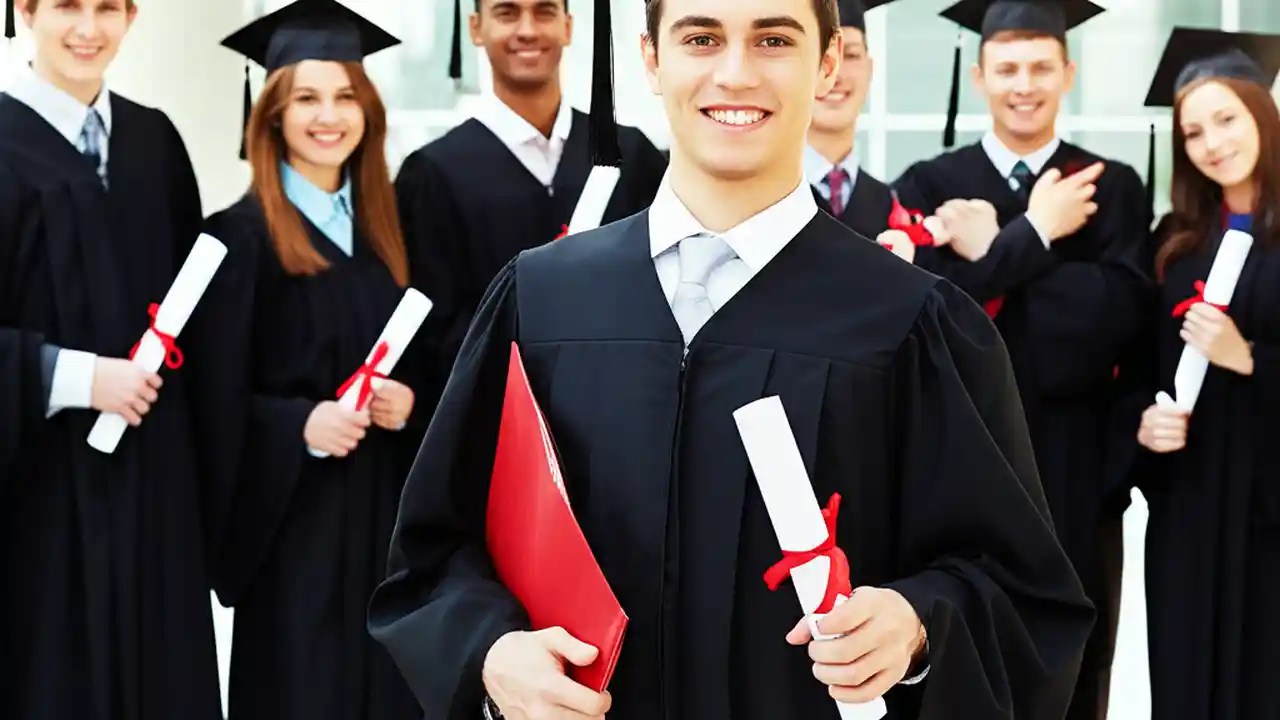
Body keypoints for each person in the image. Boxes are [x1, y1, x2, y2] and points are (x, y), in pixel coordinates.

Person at [369, 0, 1094, 718]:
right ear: (652, 59)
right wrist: (492, 654)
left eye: (773, 39)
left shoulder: (909, 320)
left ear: (828, 62)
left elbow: (1022, 594)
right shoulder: (543, 298)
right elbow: (436, 553)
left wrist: (917, 626)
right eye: (702, 38)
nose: (736, 73)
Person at [891, 2, 1153, 717]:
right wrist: (1034, 235)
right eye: (1007, 68)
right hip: (964, 458)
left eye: (1041, 66)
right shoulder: (928, 182)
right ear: (979, 76)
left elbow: (1114, 323)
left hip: (1076, 464)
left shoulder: (1111, 185)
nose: (1024, 84)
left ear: (1068, 72)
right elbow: (936, 319)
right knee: (961, 652)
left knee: (1078, 664)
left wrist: (989, 257)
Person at [188, 1, 433, 717]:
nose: (329, 116)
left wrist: (410, 402)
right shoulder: (238, 241)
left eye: (345, 95)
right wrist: (297, 424)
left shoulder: (392, 236)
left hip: (388, 531)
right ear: (271, 115)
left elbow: (439, 358)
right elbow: (210, 400)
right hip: (295, 535)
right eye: (307, 98)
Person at [0, 1, 220, 718]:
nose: (88, 28)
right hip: (37, 496)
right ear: (25, 11)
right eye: (67, 5)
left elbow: (203, 330)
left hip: (153, 492)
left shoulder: (154, 143)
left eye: (108, 7)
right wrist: (73, 375)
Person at [1134, 27, 1280, 720]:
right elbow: (1135, 362)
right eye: (1193, 132)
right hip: (1191, 505)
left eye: (1226, 118)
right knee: (1187, 676)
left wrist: (1249, 358)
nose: (1213, 142)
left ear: (1261, 113)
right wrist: (1145, 419)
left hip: (1271, 509)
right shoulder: (1174, 241)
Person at [394, 0, 668, 368]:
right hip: (494, 404)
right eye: (507, 13)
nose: (527, 29)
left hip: (620, 388)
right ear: (476, 28)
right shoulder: (433, 173)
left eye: (544, 11)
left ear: (568, 26)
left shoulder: (631, 155)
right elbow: (435, 325)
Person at [805, 0, 897, 238]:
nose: (836, 74)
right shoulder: (758, 198)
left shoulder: (891, 204)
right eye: (820, 56)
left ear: (870, 68)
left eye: (852, 55)